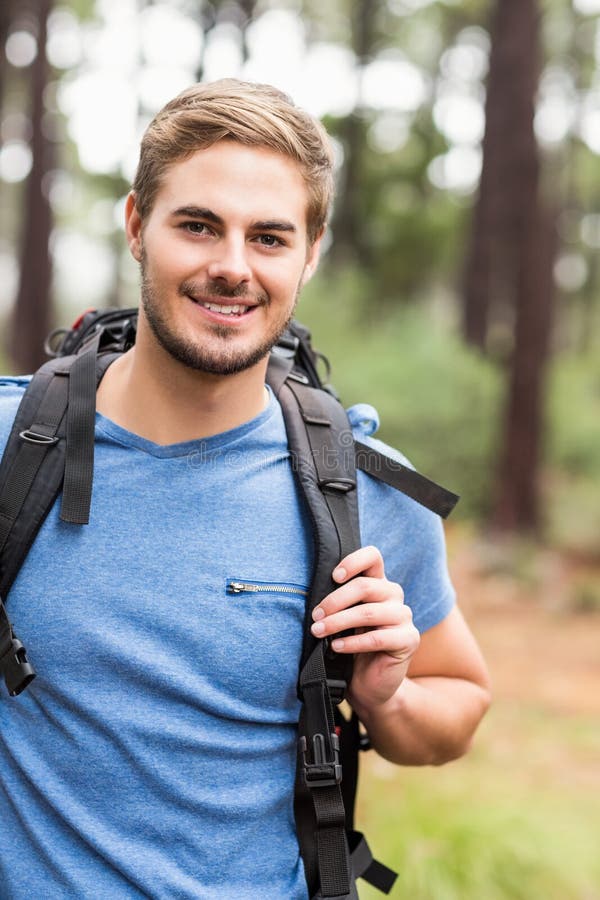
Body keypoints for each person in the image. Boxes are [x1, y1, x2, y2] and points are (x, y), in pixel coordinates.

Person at [0, 79, 490, 899]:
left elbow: (461, 705)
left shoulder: (361, 493)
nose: (232, 267)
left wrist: (387, 697)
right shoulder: (12, 447)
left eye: (269, 237)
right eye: (198, 225)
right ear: (136, 226)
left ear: (311, 252)